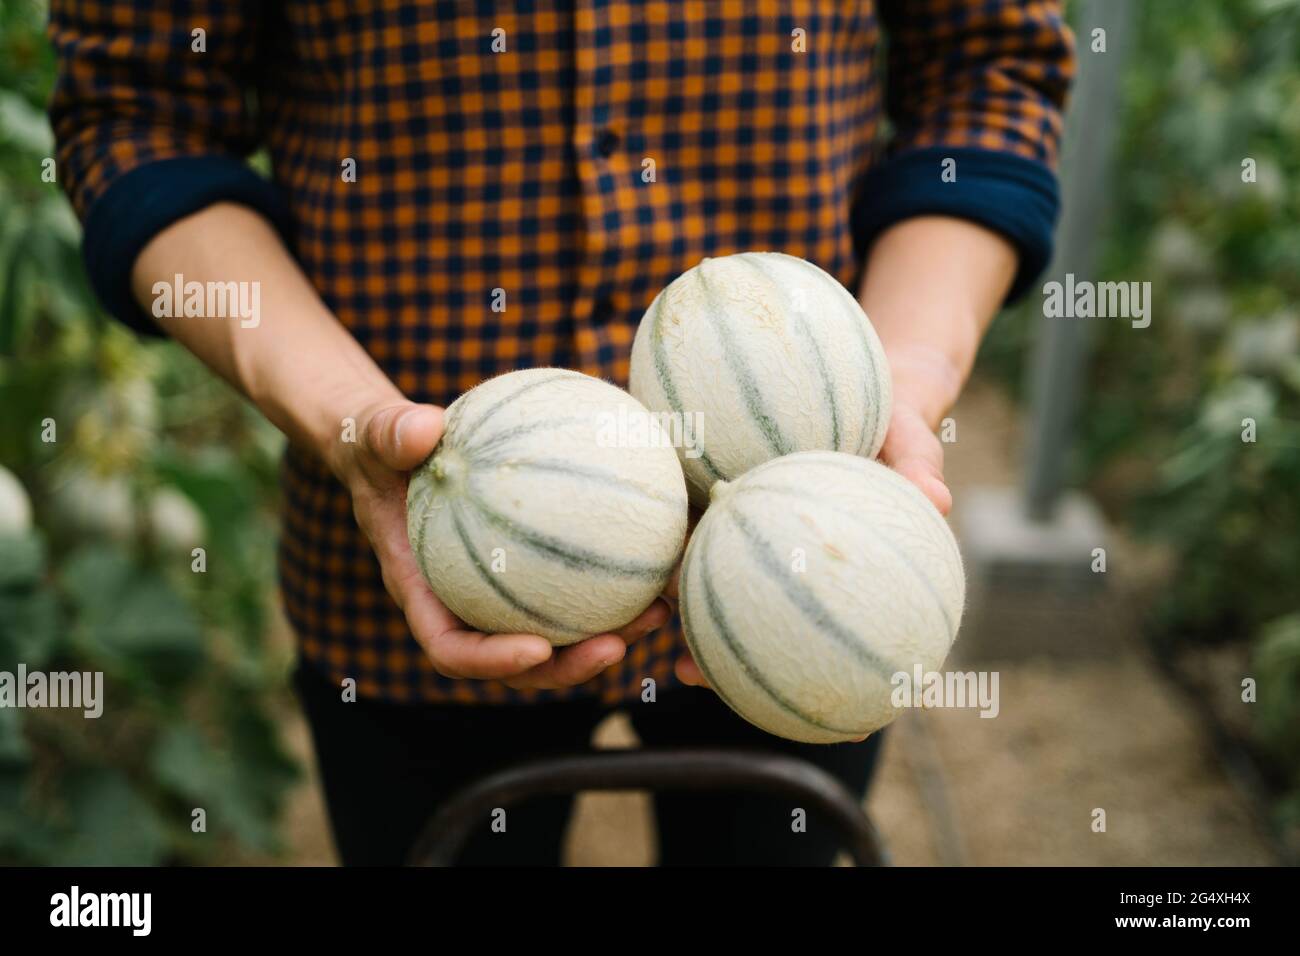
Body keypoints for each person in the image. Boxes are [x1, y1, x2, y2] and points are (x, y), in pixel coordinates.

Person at [48, 1, 1074, 865]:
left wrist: (906, 371)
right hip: (416, 559)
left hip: (822, 568)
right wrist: (349, 419)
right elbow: (141, 115)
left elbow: (989, 65)